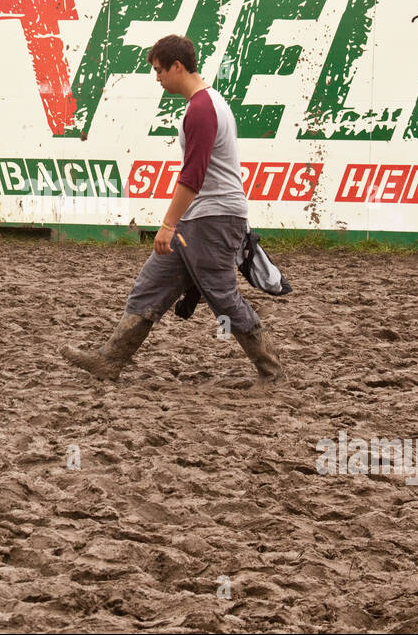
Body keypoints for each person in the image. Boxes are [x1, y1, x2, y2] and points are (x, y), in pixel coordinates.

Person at [60, 34, 283, 384]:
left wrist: (167, 225)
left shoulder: (202, 109)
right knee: (149, 287)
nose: (158, 78)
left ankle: (272, 371)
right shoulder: (204, 105)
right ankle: (109, 361)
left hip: (214, 218)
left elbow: (193, 176)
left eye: (160, 70)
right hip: (203, 217)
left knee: (223, 298)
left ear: (178, 66)